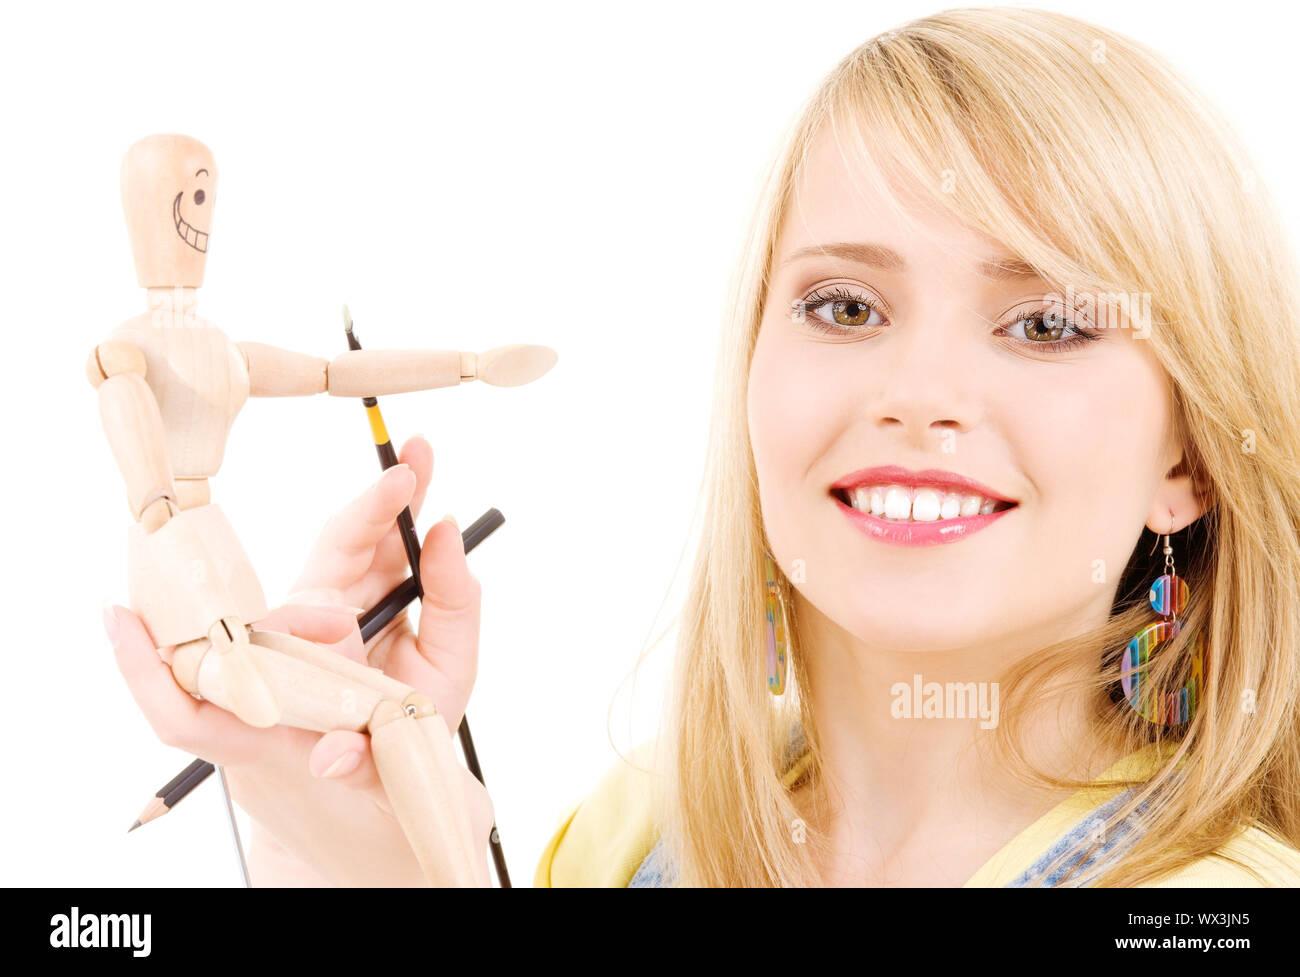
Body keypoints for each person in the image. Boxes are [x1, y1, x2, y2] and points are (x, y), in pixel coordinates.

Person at [105, 6, 1300, 886]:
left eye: (1043, 323)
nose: (918, 391)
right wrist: (347, 837)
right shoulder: (634, 831)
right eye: (845, 306)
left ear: (1184, 460)